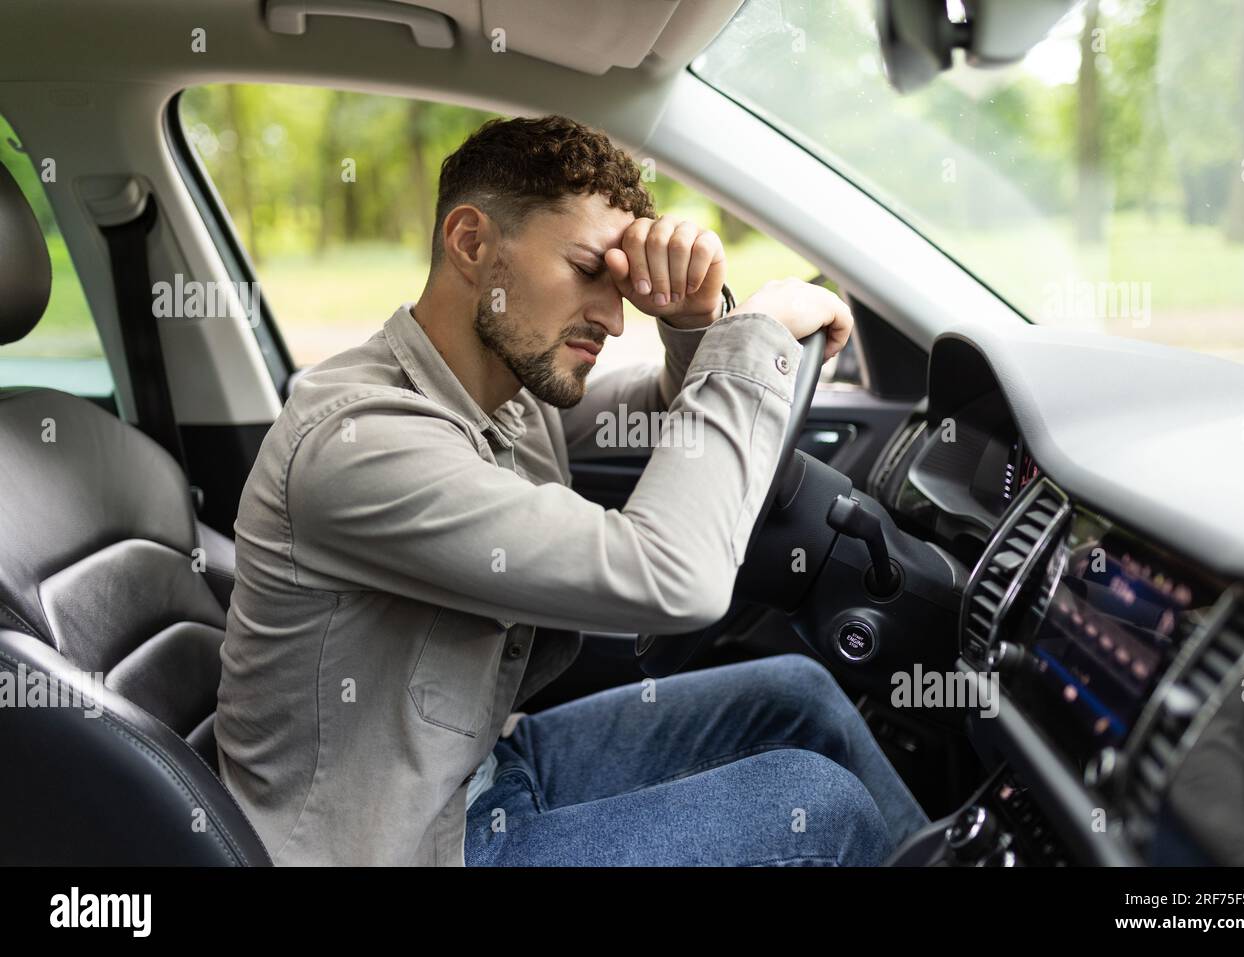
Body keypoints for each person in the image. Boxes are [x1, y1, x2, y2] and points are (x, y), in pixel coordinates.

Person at [215, 114, 927, 866]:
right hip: (403, 845)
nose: (617, 320)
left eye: (622, 285)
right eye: (590, 270)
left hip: (479, 776)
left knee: (797, 694)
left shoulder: (503, 393)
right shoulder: (361, 443)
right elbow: (671, 576)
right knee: (816, 811)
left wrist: (695, 324)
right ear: (470, 242)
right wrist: (752, 336)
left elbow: (667, 423)